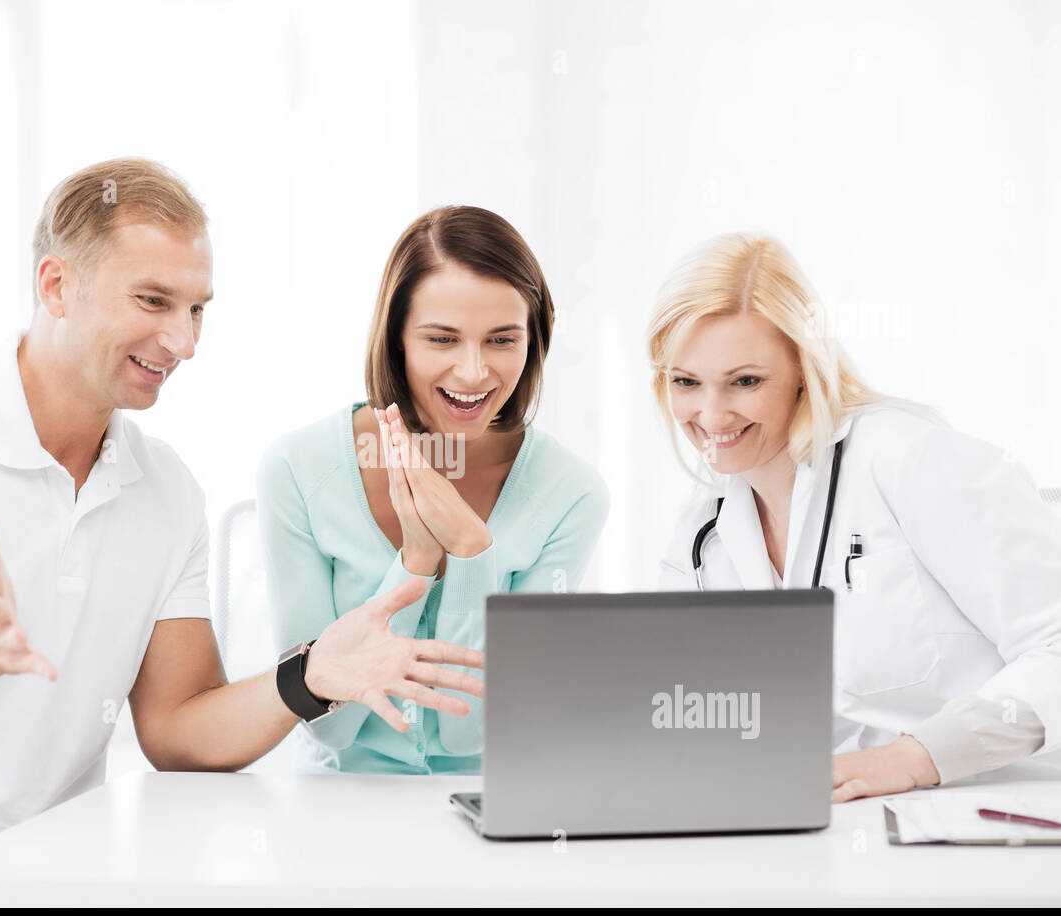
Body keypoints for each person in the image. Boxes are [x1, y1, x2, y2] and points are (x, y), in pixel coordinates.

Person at [0, 158, 483, 907]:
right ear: (55, 286)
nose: (185, 340)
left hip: (37, 868)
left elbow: (175, 730)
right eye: (153, 301)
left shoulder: (166, 491)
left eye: (198, 309)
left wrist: (312, 677)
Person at [650, 231, 1061, 801]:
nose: (711, 413)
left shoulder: (908, 460)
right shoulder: (704, 530)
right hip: (829, 824)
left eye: (746, 381)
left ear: (803, 365)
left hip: (995, 809)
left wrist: (920, 757)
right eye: (686, 382)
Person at [257, 205, 610, 774]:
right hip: (336, 809)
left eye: (501, 340)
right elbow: (329, 725)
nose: (473, 373)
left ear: (534, 339)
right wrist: (417, 564)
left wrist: (472, 551)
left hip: (490, 803)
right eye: (442, 339)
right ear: (397, 338)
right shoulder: (297, 469)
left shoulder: (572, 494)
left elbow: (474, 735)